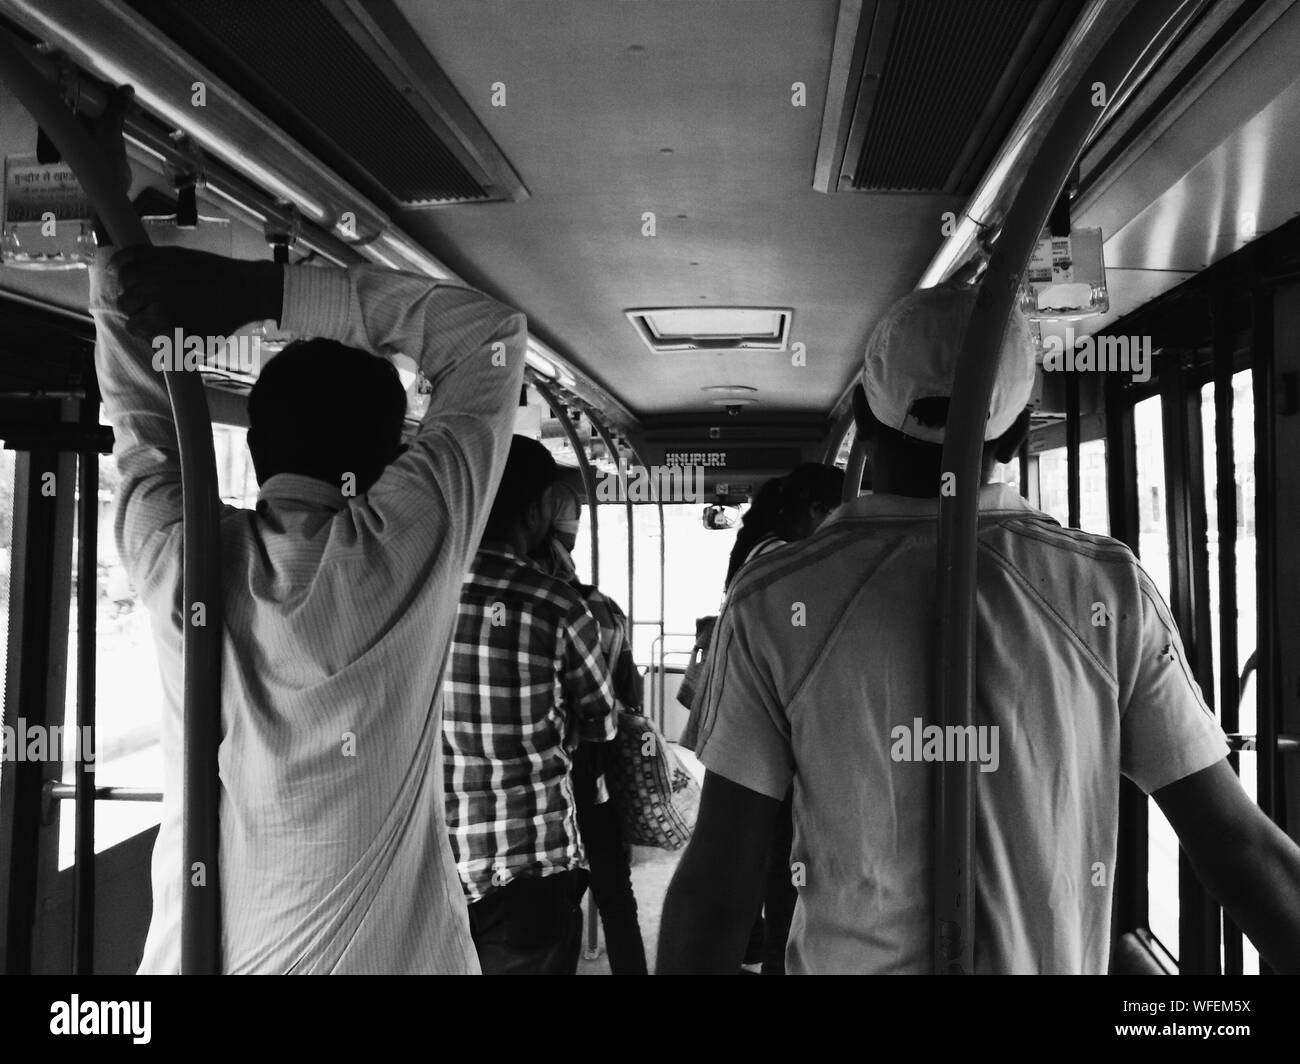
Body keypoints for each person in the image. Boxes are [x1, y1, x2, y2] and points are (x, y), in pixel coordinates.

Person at [657, 282, 1300, 974]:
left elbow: (720, 887)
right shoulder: (1105, 591)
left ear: (863, 429)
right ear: (1022, 431)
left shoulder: (774, 600)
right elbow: (1238, 849)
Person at [95, 239, 525, 973]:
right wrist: (257, 292)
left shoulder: (176, 557)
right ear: (393, 459)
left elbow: (136, 413)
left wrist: (249, 288)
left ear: (255, 443)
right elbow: (489, 337)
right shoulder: (407, 545)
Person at [442, 437, 621, 974]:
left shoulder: (417, 597)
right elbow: (602, 722)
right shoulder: (557, 604)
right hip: (532, 863)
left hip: (433, 860)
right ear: (542, 506)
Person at [681, 463, 844, 974]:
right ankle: (775, 954)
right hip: (777, 725)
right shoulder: (787, 563)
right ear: (818, 511)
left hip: (758, 719)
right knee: (778, 854)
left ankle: (762, 945)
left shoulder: (759, 553)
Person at [532, 479, 648, 975]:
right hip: (592, 782)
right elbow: (626, 702)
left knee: (550, 911)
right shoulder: (598, 608)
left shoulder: (470, 599)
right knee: (616, 898)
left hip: (531, 799)